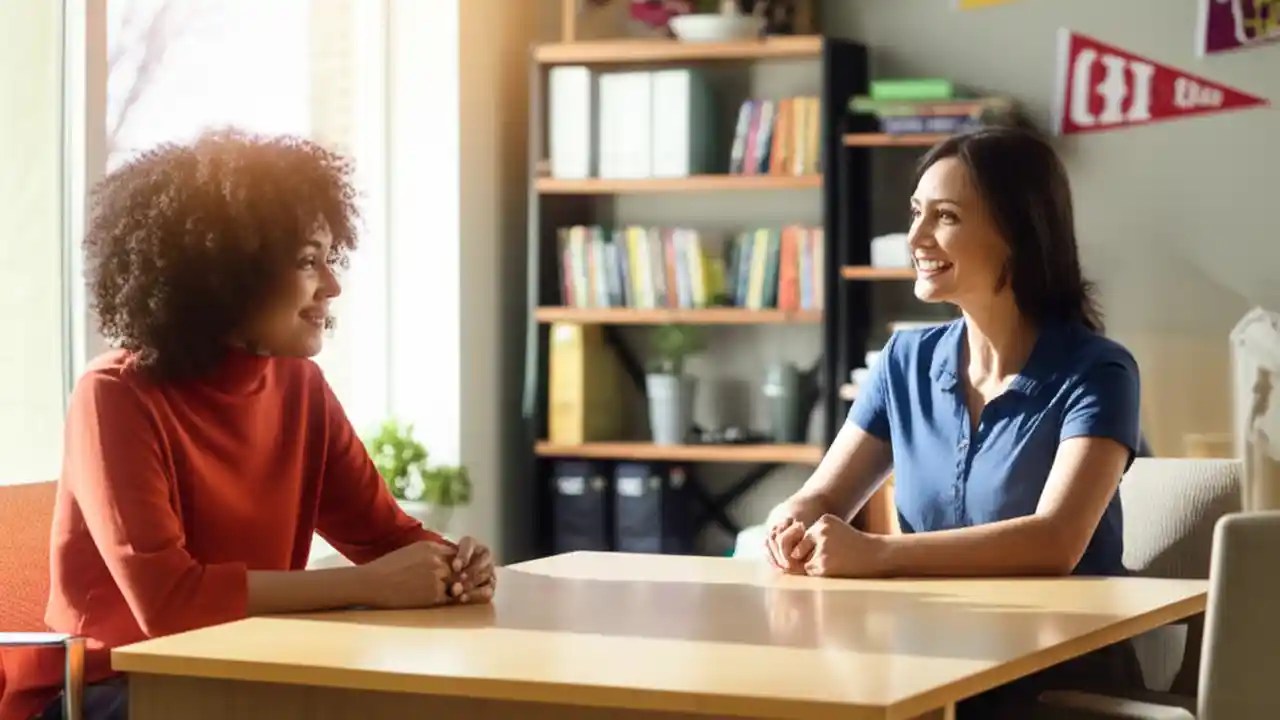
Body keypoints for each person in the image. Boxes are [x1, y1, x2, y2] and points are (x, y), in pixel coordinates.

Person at [0, 130, 496, 720]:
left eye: (329, 258)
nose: (332, 286)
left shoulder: (298, 387)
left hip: (243, 674)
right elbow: (171, 604)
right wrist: (372, 585)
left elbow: (385, 538)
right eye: (308, 260)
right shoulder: (115, 395)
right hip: (109, 692)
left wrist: (453, 566)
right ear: (226, 272)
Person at [762, 127, 1143, 715]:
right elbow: (823, 496)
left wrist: (877, 554)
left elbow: (1056, 542)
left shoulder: (1098, 370)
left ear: (1018, 232)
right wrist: (791, 520)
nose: (916, 237)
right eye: (916, 212)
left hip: (1062, 684)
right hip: (931, 663)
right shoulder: (903, 361)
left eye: (945, 217)